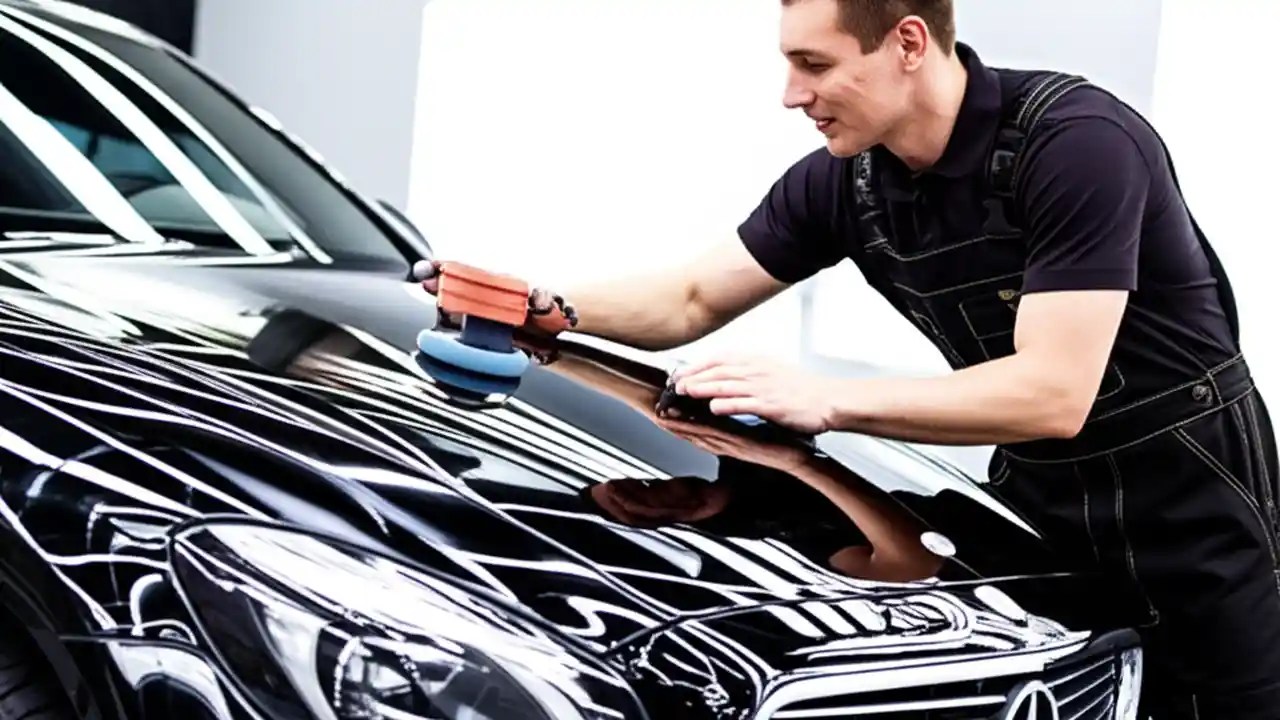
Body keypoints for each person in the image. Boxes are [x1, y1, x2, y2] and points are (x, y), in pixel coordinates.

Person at [418, 0, 1280, 716]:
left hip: (1192, 505)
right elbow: (689, 300)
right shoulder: (847, 181)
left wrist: (822, 399)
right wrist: (549, 307)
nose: (792, 95)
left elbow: (1055, 392)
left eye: (815, 65)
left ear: (907, 41)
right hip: (1038, 496)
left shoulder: (1080, 144)